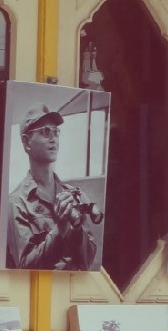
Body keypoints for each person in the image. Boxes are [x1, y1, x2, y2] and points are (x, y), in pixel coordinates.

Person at [5, 105, 101, 272]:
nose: (53, 138)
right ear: (27, 142)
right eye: (45, 131)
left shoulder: (74, 195)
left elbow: (87, 262)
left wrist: (77, 229)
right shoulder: (17, 202)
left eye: (56, 132)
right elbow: (24, 267)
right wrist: (60, 230)